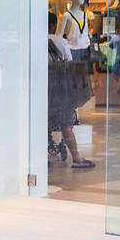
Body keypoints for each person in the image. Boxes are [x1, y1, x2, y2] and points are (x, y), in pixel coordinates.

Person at [48, 12, 94, 168]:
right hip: (59, 90)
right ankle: (76, 158)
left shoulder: (32, 40)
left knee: (39, 122)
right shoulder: (60, 41)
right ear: (54, 26)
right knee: (66, 124)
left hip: (40, 89)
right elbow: (70, 63)